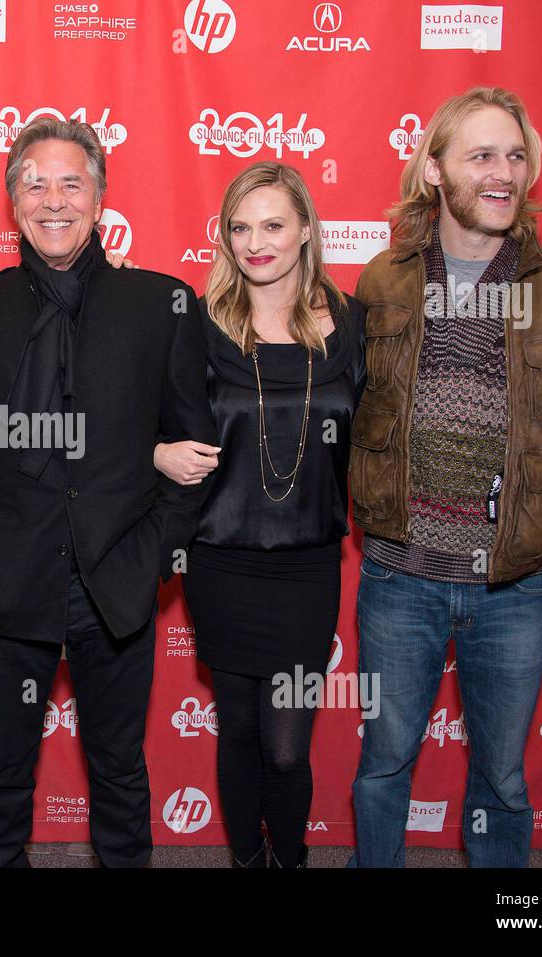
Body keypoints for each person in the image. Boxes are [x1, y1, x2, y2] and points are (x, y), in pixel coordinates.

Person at [0, 117, 216, 867]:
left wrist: (151, 555)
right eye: (35, 184)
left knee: (119, 769)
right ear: (13, 201)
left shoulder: (162, 305)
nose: (54, 200)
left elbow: (195, 449)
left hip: (115, 580)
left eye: (71, 183)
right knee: (2, 766)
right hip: (5, 580)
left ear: (100, 198)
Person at [348, 87, 542, 867]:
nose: (503, 172)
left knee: (503, 777)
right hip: (398, 575)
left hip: (513, 583)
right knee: (383, 764)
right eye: (481, 155)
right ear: (435, 170)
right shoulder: (383, 281)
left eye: (514, 156)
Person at [155, 161, 366, 868]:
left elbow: (381, 434)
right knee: (240, 729)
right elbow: (133, 410)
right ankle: (248, 858)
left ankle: (291, 859)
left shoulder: (352, 322)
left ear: (305, 229)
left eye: (273, 225)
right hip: (220, 558)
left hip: (308, 566)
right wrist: (157, 453)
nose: (255, 243)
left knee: (285, 748)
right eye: (240, 228)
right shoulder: (196, 322)